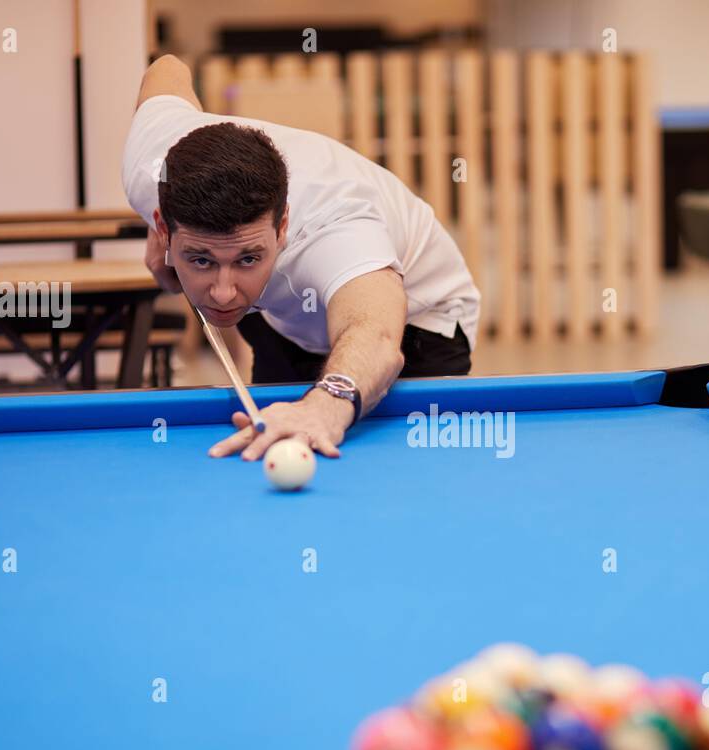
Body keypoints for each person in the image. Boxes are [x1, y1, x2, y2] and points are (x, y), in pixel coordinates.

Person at [122, 55, 479, 461]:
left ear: (283, 226)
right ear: (165, 224)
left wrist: (326, 406)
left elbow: (375, 335)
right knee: (271, 441)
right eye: (201, 259)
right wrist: (162, 234)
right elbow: (167, 67)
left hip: (418, 324)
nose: (222, 294)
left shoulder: (335, 226)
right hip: (285, 317)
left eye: (246, 258)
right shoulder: (148, 168)